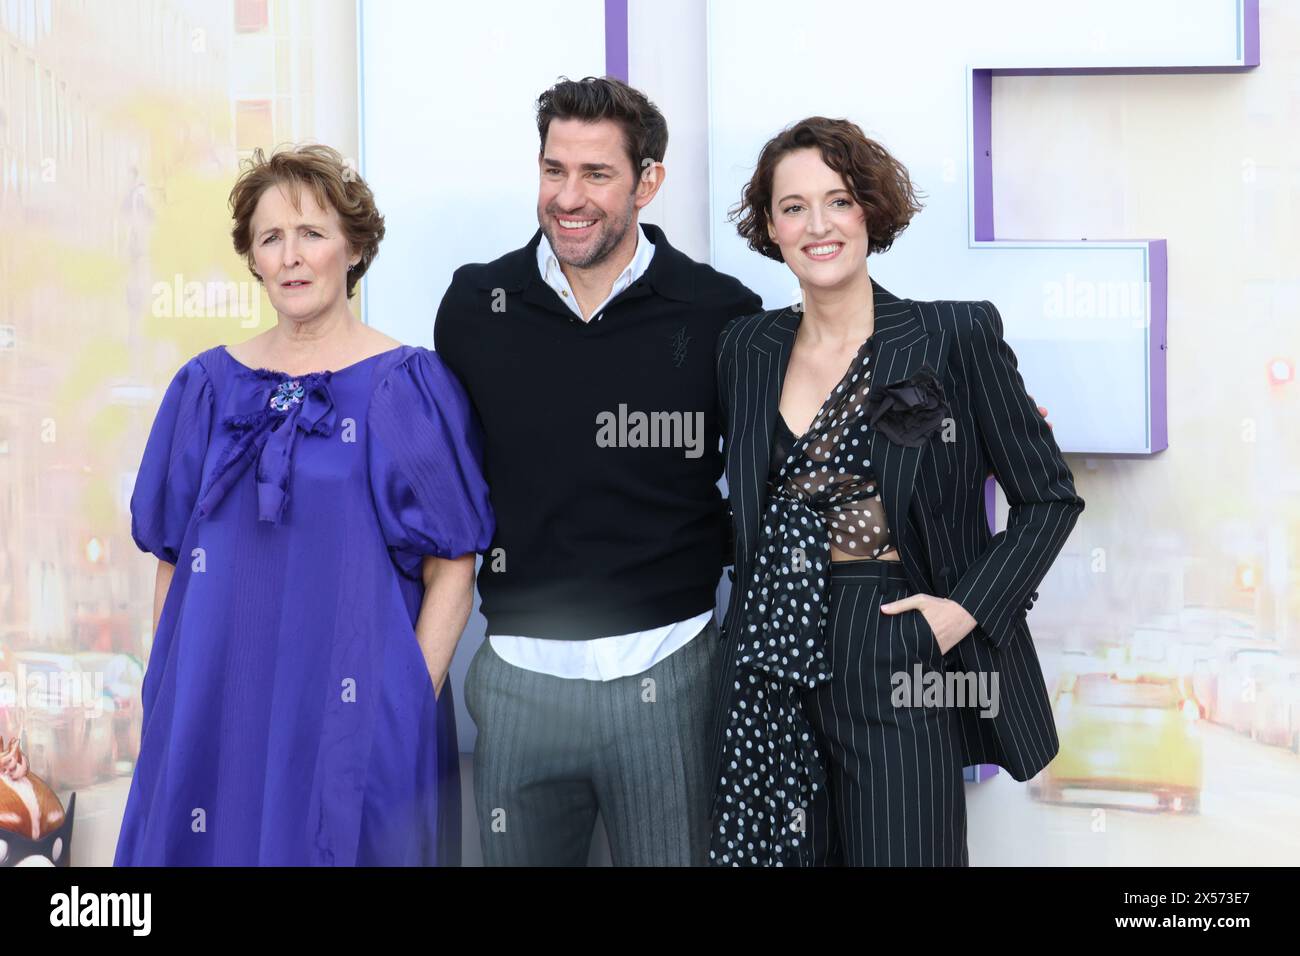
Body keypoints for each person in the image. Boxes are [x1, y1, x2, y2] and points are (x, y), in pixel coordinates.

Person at [709, 117, 1084, 866]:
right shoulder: (746, 348)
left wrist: (959, 614)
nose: (818, 225)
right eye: (793, 207)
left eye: (838, 201)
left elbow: (1049, 498)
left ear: (870, 213)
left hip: (892, 652)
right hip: (762, 669)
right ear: (771, 228)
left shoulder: (951, 336)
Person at [116, 144, 493, 866]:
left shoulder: (405, 386)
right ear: (252, 259)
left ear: (353, 248)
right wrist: (166, 694)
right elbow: (171, 558)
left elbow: (455, 563)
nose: (291, 256)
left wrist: (406, 702)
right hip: (215, 707)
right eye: (271, 238)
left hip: (346, 714)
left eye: (312, 234)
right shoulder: (203, 388)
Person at [434, 76, 763, 865]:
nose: (568, 197)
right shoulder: (478, 305)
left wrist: (955, 430)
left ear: (648, 181)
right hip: (516, 684)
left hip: (671, 676)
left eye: (596, 174)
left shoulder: (721, 313)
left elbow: (785, 460)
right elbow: (431, 475)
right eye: (554, 170)